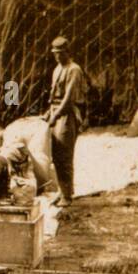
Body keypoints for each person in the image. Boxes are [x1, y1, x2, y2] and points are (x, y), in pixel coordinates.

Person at [45, 37, 87, 206]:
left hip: (68, 115)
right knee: (55, 154)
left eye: (60, 54)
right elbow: (53, 96)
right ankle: (63, 190)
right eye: (55, 54)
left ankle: (67, 196)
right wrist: (49, 113)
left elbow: (69, 99)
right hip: (56, 111)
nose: (57, 57)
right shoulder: (57, 69)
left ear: (67, 53)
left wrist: (55, 116)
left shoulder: (74, 70)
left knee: (64, 155)